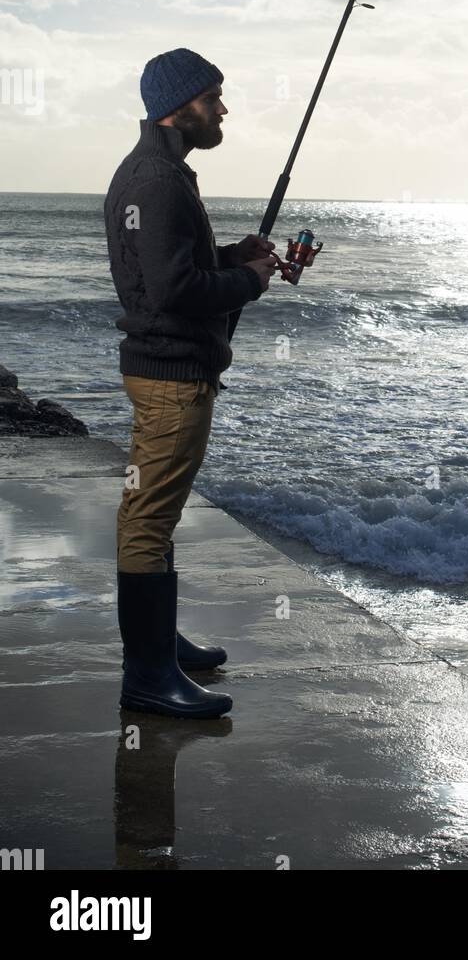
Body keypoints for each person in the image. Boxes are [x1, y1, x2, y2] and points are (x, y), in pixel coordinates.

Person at [103, 48, 279, 719]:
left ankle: (159, 642)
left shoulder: (157, 172)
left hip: (160, 370)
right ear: (181, 105)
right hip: (172, 378)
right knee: (148, 519)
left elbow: (166, 268)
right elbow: (176, 291)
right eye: (214, 97)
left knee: (156, 509)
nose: (223, 108)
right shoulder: (157, 180)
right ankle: (149, 676)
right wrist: (253, 282)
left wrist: (233, 257)